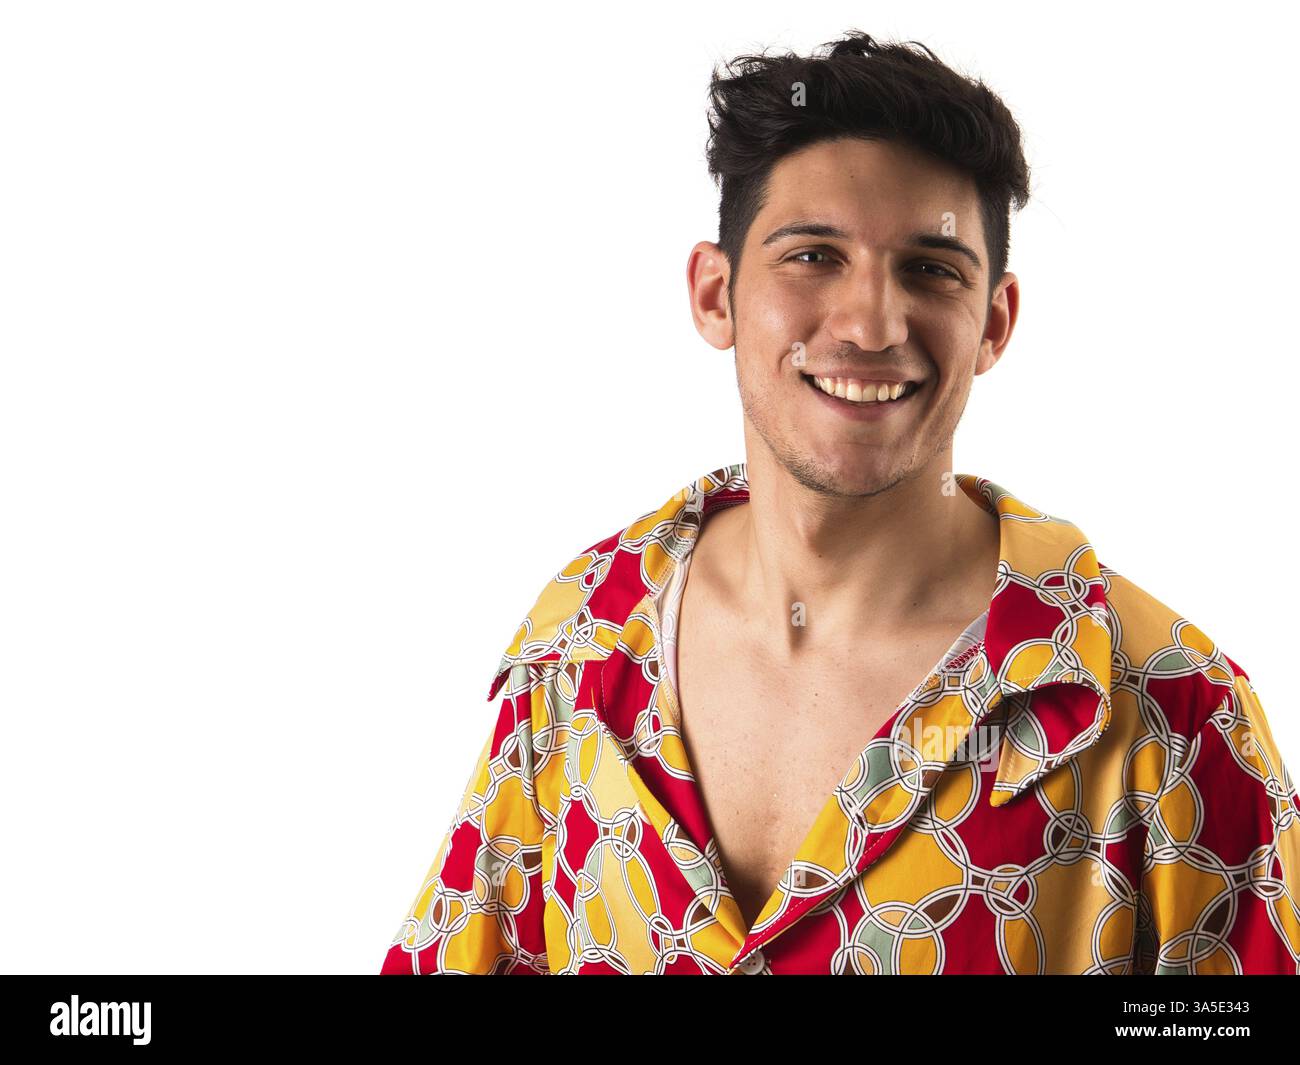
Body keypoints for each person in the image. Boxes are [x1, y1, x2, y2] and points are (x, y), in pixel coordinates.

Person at [380, 31, 1300, 975]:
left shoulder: (1171, 710)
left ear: (994, 322)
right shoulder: (582, 647)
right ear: (714, 294)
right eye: (814, 255)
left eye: (931, 268)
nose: (870, 323)